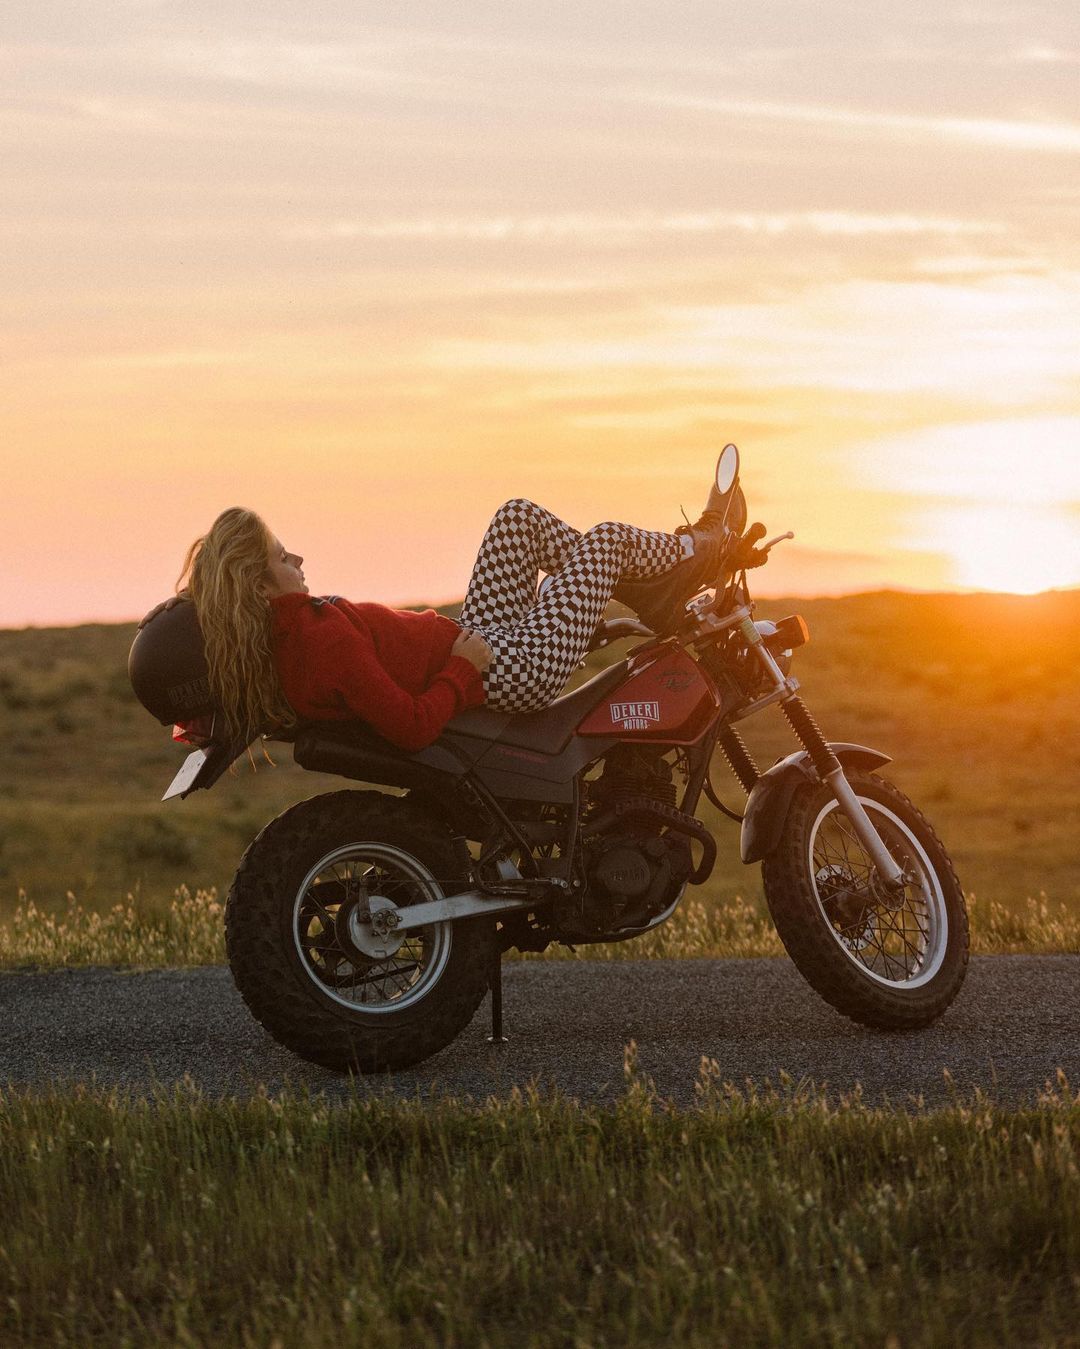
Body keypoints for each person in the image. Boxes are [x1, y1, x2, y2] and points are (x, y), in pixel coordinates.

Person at [165, 498, 729, 753]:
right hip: (508, 669)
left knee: (517, 520)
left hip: (479, 638)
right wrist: (464, 669)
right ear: (262, 587)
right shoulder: (319, 640)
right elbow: (411, 725)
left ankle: (643, 580)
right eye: (285, 559)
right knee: (606, 538)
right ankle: (701, 547)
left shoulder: (294, 634)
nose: (301, 563)